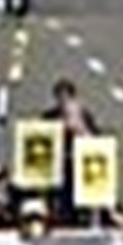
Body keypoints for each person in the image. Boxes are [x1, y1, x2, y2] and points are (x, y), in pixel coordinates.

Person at [43, 79, 101, 226]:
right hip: (57, 164)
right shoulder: (49, 117)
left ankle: (84, 218)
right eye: (59, 98)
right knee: (61, 200)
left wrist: (79, 128)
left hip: (80, 163)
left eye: (65, 97)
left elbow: (95, 139)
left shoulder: (84, 116)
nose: (62, 102)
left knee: (80, 200)